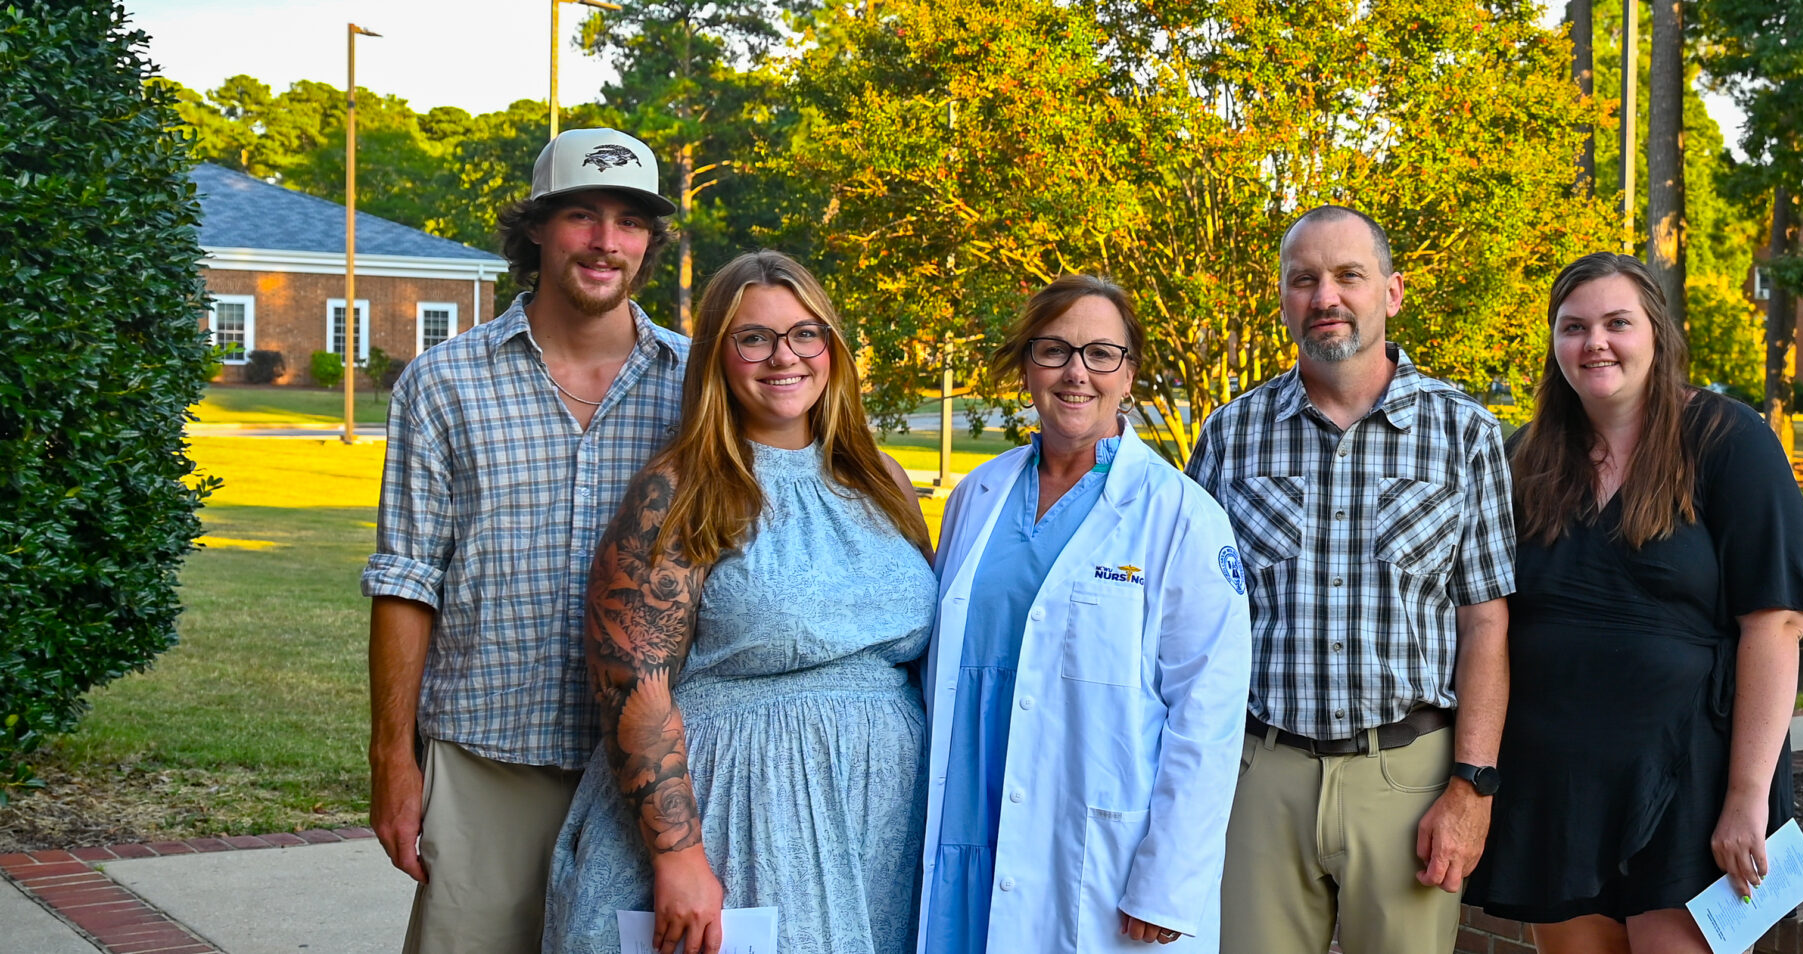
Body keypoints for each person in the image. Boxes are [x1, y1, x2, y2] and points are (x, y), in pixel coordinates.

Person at [544, 250, 936, 954]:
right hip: (742, 808)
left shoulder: (882, 480)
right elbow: (631, 685)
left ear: (832, 347)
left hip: (884, 818)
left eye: (805, 334)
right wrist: (678, 858)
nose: (784, 356)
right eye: (754, 337)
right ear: (717, 357)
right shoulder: (681, 491)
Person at [362, 127, 687, 954]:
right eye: (582, 215)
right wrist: (392, 761)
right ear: (537, 226)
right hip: (487, 758)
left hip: (654, 771)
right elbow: (406, 580)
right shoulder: (444, 382)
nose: (606, 241)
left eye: (630, 221)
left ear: (650, 240)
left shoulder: (698, 389)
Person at [1462, 252, 1803, 951]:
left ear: (1657, 332)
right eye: (1574, 327)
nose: (1594, 342)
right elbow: (1483, 614)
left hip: (1691, 779)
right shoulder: (1525, 458)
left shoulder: (1728, 441)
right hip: (1557, 784)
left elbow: (1778, 621)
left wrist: (1746, 797)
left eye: (1617, 323)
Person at [1185, 205, 1517, 954]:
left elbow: (1486, 624)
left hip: (1409, 781)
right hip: (1256, 777)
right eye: (1304, 279)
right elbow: (1187, 619)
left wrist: (1472, 787)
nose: (1325, 296)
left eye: (1348, 276)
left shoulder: (1464, 433)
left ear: (1391, 293)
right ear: (1283, 298)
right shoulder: (1230, 436)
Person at [916, 275, 1252, 954]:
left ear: (1128, 374)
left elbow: (1208, 714)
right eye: (1054, 351)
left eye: (1101, 353)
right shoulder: (978, 495)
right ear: (1027, 368)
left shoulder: (1181, 516)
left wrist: (1170, 880)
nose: (1076, 372)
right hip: (965, 819)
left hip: (1096, 856)